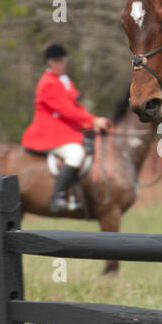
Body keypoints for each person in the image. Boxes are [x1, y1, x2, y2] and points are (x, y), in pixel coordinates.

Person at [21, 43, 113, 213]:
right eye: (57, 61)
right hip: (48, 131)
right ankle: (57, 197)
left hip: (63, 128)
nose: (61, 64)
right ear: (49, 63)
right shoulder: (47, 83)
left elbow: (76, 107)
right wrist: (92, 121)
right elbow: (66, 110)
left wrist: (94, 120)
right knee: (75, 153)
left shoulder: (65, 81)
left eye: (63, 61)